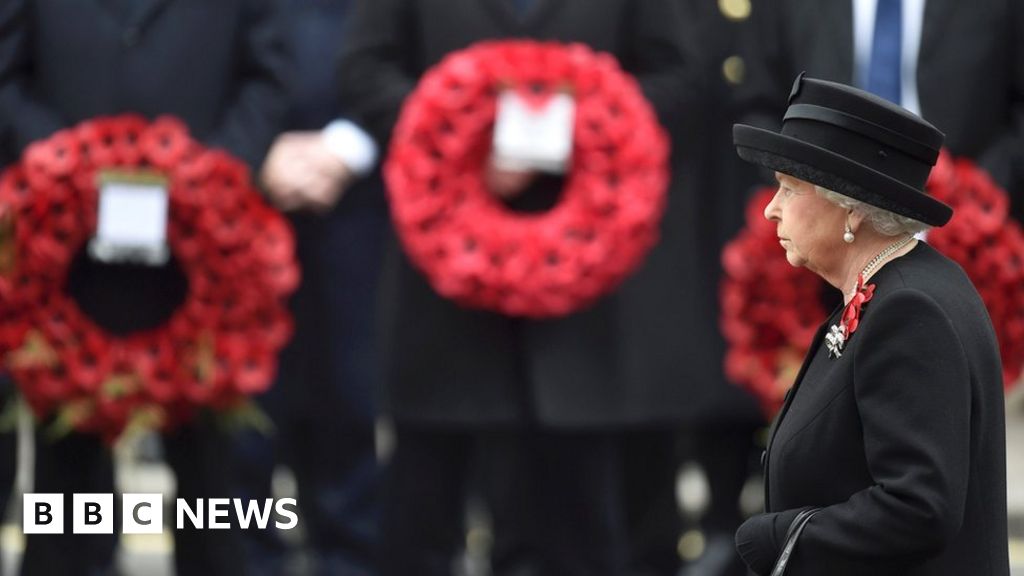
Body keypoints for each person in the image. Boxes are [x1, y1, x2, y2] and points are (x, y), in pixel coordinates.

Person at [338, 1, 704, 575]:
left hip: (581, 302)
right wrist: (458, 133)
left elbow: (679, 78)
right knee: (421, 523)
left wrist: (561, 131)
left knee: (581, 531)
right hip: (445, 295)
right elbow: (364, 69)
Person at [0, 1, 288, 574]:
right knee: (68, 474)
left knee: (212, 476)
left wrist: (209, 178)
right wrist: (67, 167)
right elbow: (7, 75)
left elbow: (268, 77)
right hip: (68, 255)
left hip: (202, 260)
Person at [730, 74, 1009, 575]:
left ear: (850, 209)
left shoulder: (909, 310)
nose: (771, 210)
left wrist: (776, 537)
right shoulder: (900, 284)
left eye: (788, 189)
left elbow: (918, 507)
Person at [231, 0, 385, 573]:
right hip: (231, 205)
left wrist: (344, 150)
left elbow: (417, 50)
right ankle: (247, 555)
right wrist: (254, 152)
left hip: (357, 210)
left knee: (348, 404)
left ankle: (350, 556)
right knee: (236, 422)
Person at [734, 0, 1024, 220]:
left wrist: (983, 194)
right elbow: (759, 105)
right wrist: (803, 188)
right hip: (824, 222)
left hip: (968, 225)